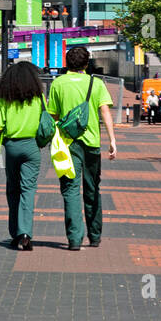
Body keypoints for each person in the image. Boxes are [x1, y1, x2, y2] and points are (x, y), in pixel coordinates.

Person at [47, 47, 116, 250]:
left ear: (67, 63)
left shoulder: (58, 83)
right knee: (92, 188)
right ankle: (95, 235)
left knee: (70, 189)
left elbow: (53, 115)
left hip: (67, 144)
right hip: (92, 143)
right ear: (87, 64)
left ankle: (74, 239)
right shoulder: (96, 83)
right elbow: (105, 111)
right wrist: (112, 140)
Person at [0, 61, 49, 251]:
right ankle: (26, 233)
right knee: (28, 190)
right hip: (32, 147)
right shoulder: (38, 97)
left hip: (12, 146)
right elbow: (45, 119)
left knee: (13, 189)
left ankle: (15, 232)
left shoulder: (3, 99)